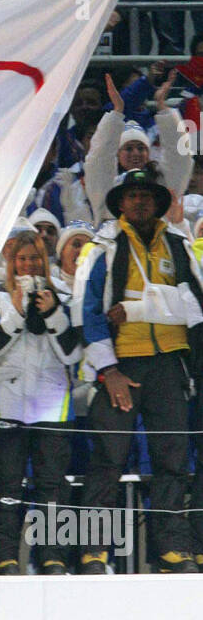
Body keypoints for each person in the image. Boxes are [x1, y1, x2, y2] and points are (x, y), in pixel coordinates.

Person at [73, 168, 203, 572]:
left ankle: (170, 550)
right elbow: (86, 310)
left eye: (147, 195)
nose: (140, 201)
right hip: (121, 363)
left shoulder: (179, 244)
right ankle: (94, 549)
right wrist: (108, 369)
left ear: (158, 202)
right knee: (108, 459)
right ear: (120, 204)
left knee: (172, 459)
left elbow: (196, 305)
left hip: (169, 363)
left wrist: (138, 308)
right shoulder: (103, 245)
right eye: (132, 196)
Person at [0, 231, 82, 574]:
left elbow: (72, 352)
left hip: (52, 405)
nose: (28, 264)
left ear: (45, 260)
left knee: (53, 487)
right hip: (7, 406)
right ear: (10, 262)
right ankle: (5, 558)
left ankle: (52, 558)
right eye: (21, 259)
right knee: (6, 486)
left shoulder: (64, 295)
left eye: (34, 258)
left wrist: (52, 314)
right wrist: (18, 310)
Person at [84, 72, 191, 222]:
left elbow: (180, 157)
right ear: (118, 154)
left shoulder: (161, 184)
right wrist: (117, 113)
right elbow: (97, 159)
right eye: (128, 148)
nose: (136, 153)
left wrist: (163, 107)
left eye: (141, 148)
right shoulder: (108, 189)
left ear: (149, 153)